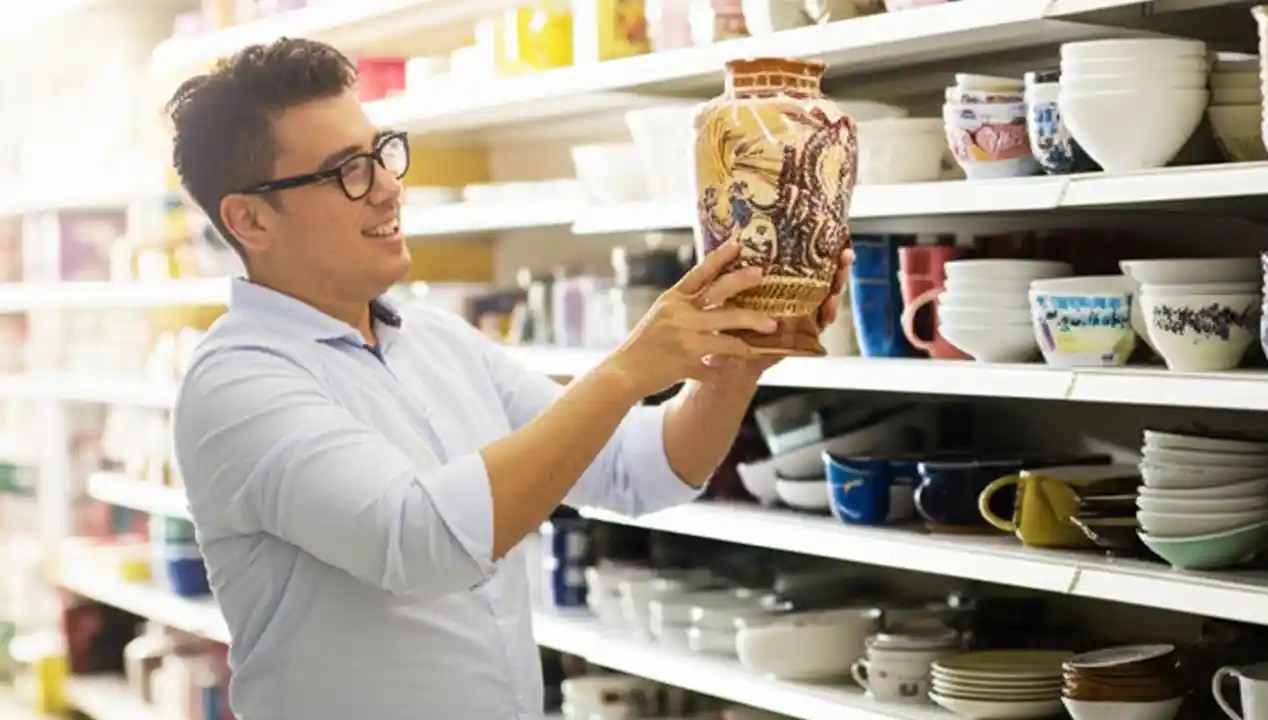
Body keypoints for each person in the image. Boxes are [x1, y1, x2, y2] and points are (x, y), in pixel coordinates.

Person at [168, 37, 851, 720]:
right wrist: (627, 369)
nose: (387, 185)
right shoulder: (237, 385)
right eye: (347, 171)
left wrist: (732, 365)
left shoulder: (434, 340)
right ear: (249, 219)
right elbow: (418, 541)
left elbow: (636, 469)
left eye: (381, 153)